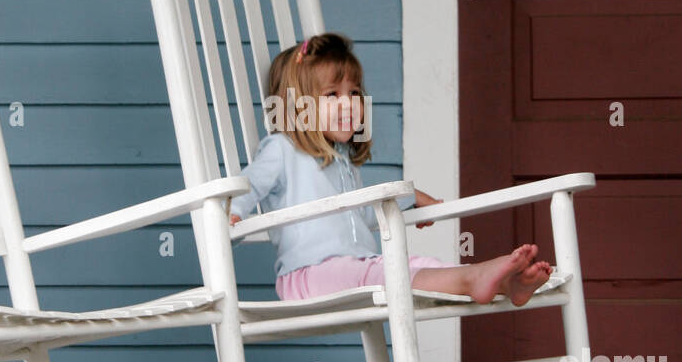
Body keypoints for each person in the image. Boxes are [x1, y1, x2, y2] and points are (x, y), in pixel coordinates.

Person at [228, 32, 553, 304]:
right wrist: (233, 213)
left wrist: (409, 197)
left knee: (414, 264)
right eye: (332, 95)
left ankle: (501, 284)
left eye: (354, 93)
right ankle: (474, 278)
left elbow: (366, 214)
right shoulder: (283, 148)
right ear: (298, 106)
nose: (349, 102)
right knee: (389, 273)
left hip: (358, 268)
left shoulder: (341, 162)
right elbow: (250, 183)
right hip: (308, 277)